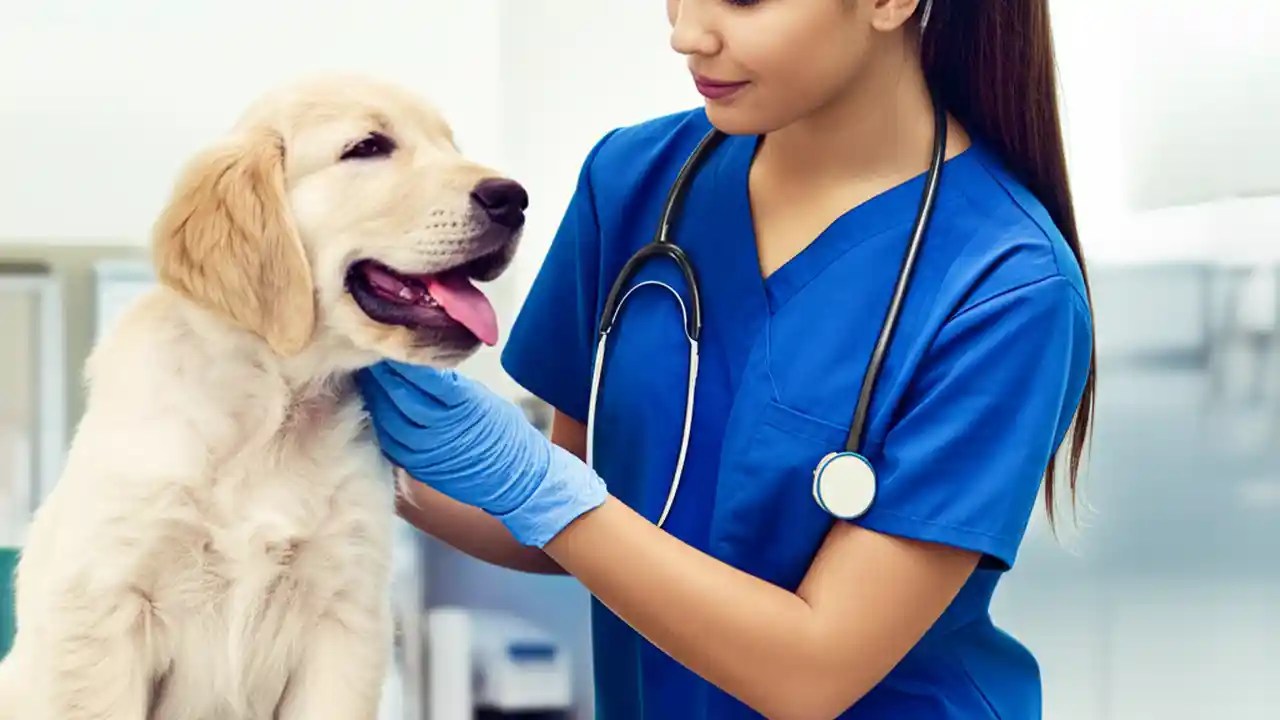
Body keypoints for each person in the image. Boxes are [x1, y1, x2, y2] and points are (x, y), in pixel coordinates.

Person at [357, 0, 1096, 717]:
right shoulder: (633, 182)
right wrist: (328, 436)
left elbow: (813, 673)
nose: (688, 33)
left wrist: (536, 487)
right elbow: (572, 527)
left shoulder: (1006, 287)